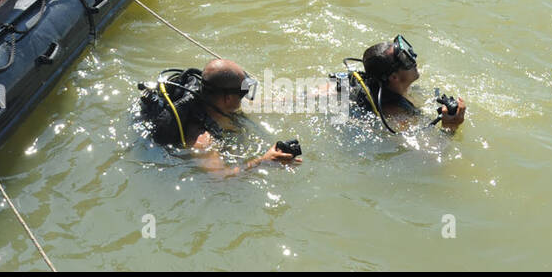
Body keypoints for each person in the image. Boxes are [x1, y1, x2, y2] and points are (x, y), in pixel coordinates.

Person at [141, 59, 302, 177]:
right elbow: (221, 178)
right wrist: (265, 161)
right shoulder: (202, 139)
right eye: (242, 92)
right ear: (227, 98)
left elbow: (274, 103)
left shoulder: (219, 104)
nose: (244, 98)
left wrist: (318, 93)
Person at [337, 34, 467, 133]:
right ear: (394, 77)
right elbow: (432, 159)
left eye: (408, 54)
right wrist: (450, 127)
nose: (414, 59)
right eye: (405, 60)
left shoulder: (399, 88)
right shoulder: (398, 115)